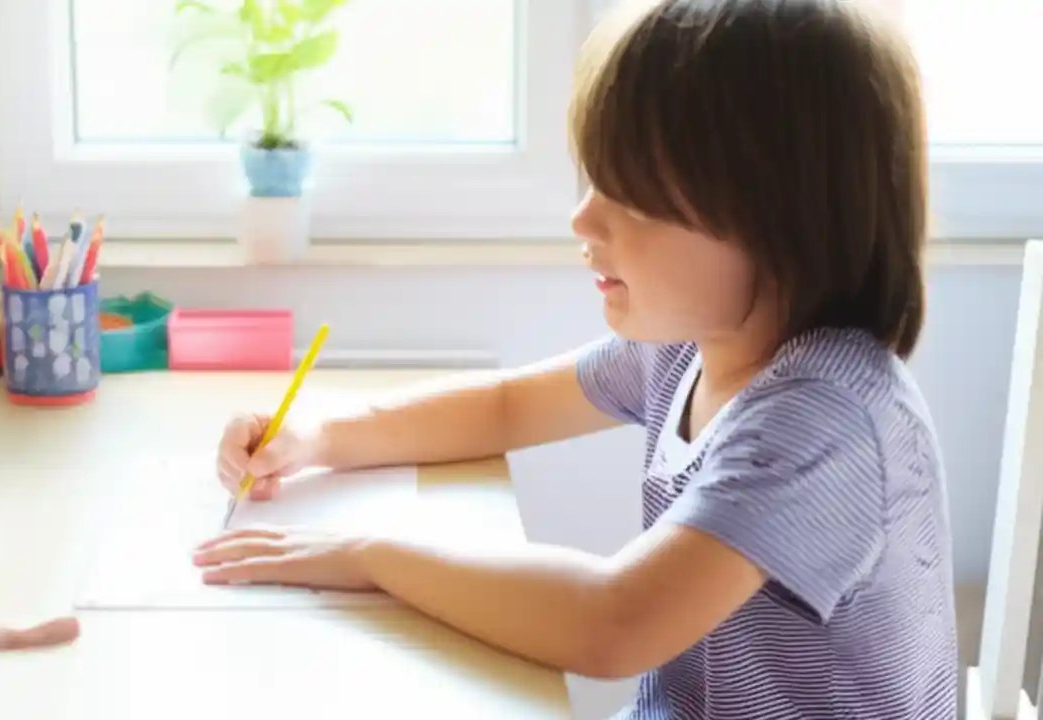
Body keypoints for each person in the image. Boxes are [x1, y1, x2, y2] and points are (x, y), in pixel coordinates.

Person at [194, 0, 959, 716]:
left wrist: (373, 555)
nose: (582, 216)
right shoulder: (691, 348)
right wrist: (321, 438)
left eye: (632, 197)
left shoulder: (824, 420)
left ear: (777, 220)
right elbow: (506, 407)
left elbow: (613, 623)